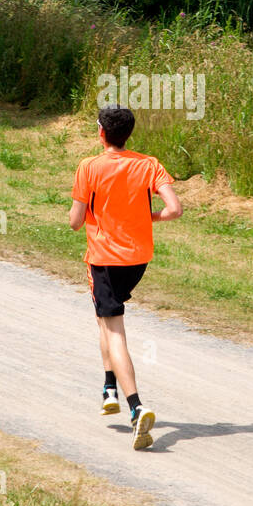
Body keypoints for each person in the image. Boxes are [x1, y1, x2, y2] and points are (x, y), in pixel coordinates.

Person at [69, 105, 182, 449]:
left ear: (101, 132)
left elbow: (75, 222)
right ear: (128, 134)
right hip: (137, 260)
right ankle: (108, 389)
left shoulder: (89, 166)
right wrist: (148, 218)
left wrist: (90, 211)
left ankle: (136, 407)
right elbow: (175, 209)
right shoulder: (149, 164)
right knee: (104, 318)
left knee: (114, 329)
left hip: (104, 258)